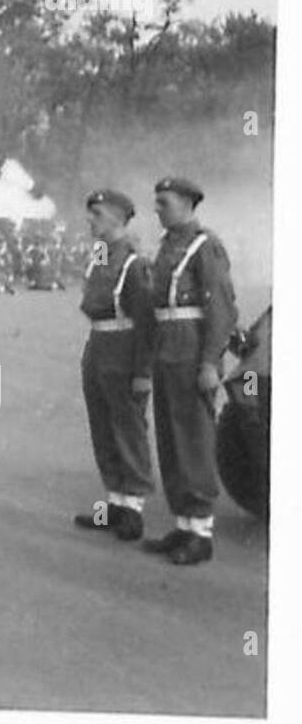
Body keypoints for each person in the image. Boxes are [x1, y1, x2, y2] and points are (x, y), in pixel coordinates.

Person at [142, 177, 237, 566]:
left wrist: (211, 362)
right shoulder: (167, 246)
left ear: (186, 203)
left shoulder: (205, 246)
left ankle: (201, 532)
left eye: (164, 203)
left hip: (191, 347)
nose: (158, 209)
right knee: (170, 436)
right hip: (167, 347)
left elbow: (222, 310)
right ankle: (183, 523)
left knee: (193, 438)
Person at [72, 190, 155, 542]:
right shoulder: (100, 256)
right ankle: (115, 503)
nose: (91, 220)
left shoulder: (134, 263)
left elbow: (148, 323)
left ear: (118, 219)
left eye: (98, 214)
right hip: (98, 345)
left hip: (123, 347)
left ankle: (133, 508)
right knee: (102, 426)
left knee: (127, 426)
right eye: (90, 213)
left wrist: (142, 373)